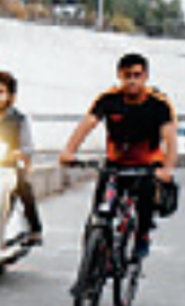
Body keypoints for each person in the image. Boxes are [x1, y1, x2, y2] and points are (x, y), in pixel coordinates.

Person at [59, 53, 178, 260]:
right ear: (119, 76)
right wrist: (69, 151)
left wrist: (167, 169)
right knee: (100, 207)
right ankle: (94, 254)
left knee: (146, 195)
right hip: (116, 161)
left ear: (145, 76)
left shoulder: (159, 104)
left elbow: (170, 138)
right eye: (127, 75)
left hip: (147, 162)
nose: (132, 80)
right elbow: (86, 125)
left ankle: (142, 235)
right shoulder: (108, 99)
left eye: (137, 75)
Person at [0, 71, 44, 246]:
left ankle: (35, 229)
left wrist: (18, 153)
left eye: (1, 92)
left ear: (10, 96)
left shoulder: (18, 120)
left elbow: (27, 147)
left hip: (7, 169)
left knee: (23, 188)